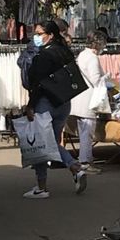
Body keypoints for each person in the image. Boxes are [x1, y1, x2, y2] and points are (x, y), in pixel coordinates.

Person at [22, 18, 90, 199]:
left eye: (39, 34)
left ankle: (50, 181)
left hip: (45, 103)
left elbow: (37, 84)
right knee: (51, 141)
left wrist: (31, 105)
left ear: (50, 35)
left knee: (42, 144)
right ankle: (69, 171)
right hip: (63, 103)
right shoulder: (65, 51)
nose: (36, 37)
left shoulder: (43, 56)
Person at [70, 29, 110, 172]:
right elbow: (96, 80)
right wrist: (107, 77)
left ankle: (84, 160)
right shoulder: (92, 58)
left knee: (83, 133)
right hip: (89, 100)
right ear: (98, 43)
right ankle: (86, 162)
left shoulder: (82, 54)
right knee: (87, 133)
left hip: (80, 99)